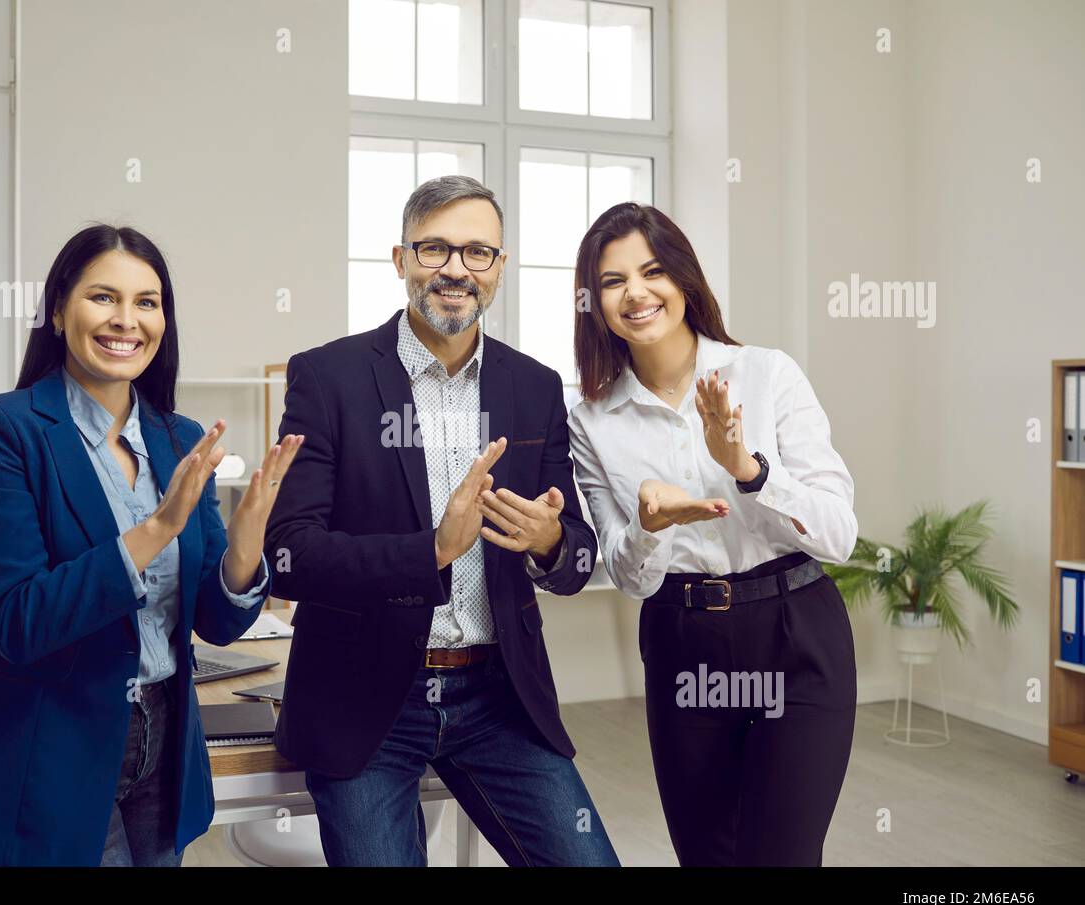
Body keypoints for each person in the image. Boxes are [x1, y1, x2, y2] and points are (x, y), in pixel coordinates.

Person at [264, 176, 620, 866]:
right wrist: (428, 551)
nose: (456, 268)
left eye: (477, 253)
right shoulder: (327, 378)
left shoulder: (535, 386)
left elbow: (574, 558)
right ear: (400, 260)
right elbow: (292, 554)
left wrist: (550, 542)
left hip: (499, 700)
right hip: (365, 702)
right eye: (435, 249)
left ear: (499, 270)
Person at [0, 224, 302, 866]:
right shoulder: (3, 430)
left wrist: (243, 547)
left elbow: (215, 621)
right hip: (55, 747)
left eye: (147, 302)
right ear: (60, 306)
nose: (127, 320)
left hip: (166, 741)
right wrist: (155, 530)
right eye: (104, 297)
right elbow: (17, 622)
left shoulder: (178, 437)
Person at [566, 202, 858, 866]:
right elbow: (631, 575)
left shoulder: (768, 374)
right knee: (707, 856)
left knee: (779, 854)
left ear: (684, 278)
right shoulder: (591, 421)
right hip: (680, 639)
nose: (636, 293)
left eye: (652, 271)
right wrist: (649, 526)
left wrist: (746, 469)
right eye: (613, 281)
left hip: (794, 633)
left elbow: (839, 534)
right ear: (595, 301)